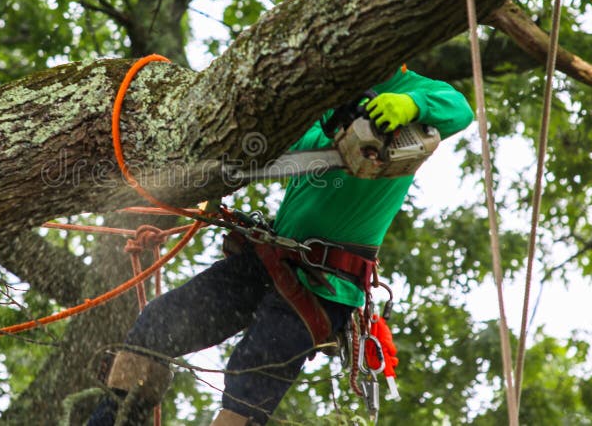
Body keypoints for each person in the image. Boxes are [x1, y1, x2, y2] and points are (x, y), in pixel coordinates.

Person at [87, 66, 474, 425]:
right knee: (158, 323)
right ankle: (115, 418)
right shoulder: (326, 107)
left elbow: (459, 109)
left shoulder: (414, 90)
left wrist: (411, 105)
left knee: (252, 377)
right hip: (268, 258)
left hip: (326, 284)